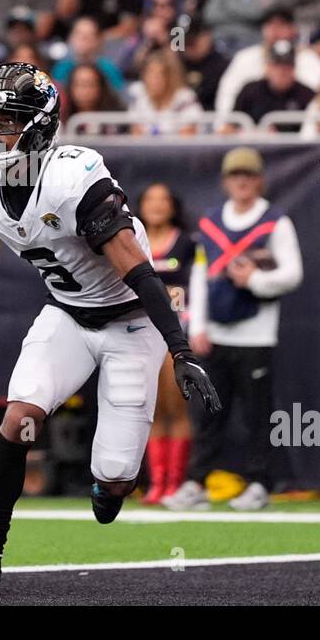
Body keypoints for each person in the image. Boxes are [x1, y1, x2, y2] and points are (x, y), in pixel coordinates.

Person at [0, 63, 219, 597]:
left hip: (132, 321)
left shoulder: (74, 178)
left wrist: (180, 351)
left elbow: (138, 271)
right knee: (19, 416)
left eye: (7, 121)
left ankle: (110, 487)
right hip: (67, 312)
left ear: (40, 127)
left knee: (114, 477)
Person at [164, 148, 304, 511]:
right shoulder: (211, 223)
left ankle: (259, 483)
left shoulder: (276, 222)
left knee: (256, 414)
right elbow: (199, 274)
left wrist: (255, 279)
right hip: (217, 334)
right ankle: (197, 482)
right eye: (235, 176)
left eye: (249, 175)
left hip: (256, 332)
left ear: (260, 180)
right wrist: (197, 325)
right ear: (226, 181)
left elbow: (292, 274)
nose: (242, 182)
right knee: (208, 412)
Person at [135, 183, 197, 505]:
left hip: (175, 330)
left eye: (163, 199)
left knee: (176, 405)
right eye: (150, 199)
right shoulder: (130, 241)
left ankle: (176, 482)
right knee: (153, 408)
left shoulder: (185, 243)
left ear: (173, 206)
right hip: (140, 331)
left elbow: (197, 285)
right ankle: (156, 483)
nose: (157, 205)